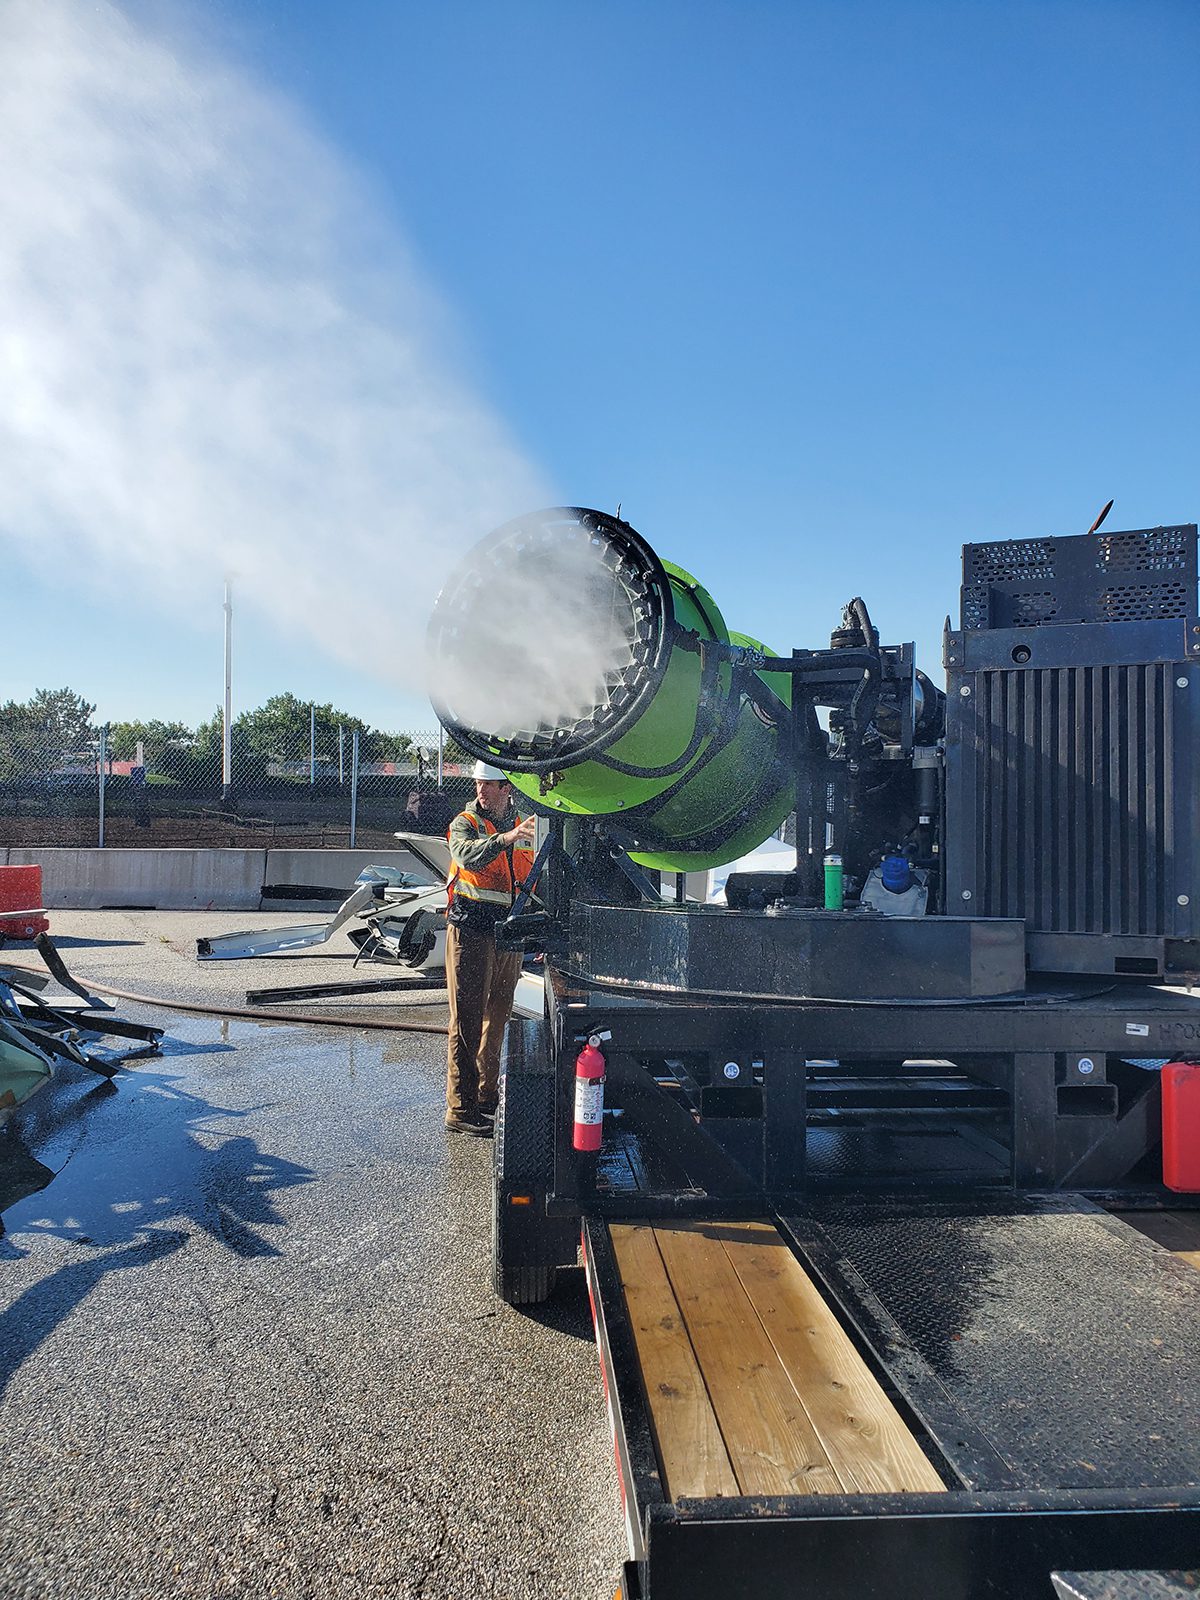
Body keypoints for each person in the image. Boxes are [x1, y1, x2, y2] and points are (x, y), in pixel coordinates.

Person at [443, 760, 538, 1135]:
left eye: (490, 785)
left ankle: (486, 1097)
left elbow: (533, 873)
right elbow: (466, 855)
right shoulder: (465, 823)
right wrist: (507, 838)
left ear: (507, 788)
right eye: (479, 785)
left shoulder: (526, 824)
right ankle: (461, 1110)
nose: (481, 791)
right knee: (466, 1020)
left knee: (496, 1018)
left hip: (508, 933)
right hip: (471, 931)